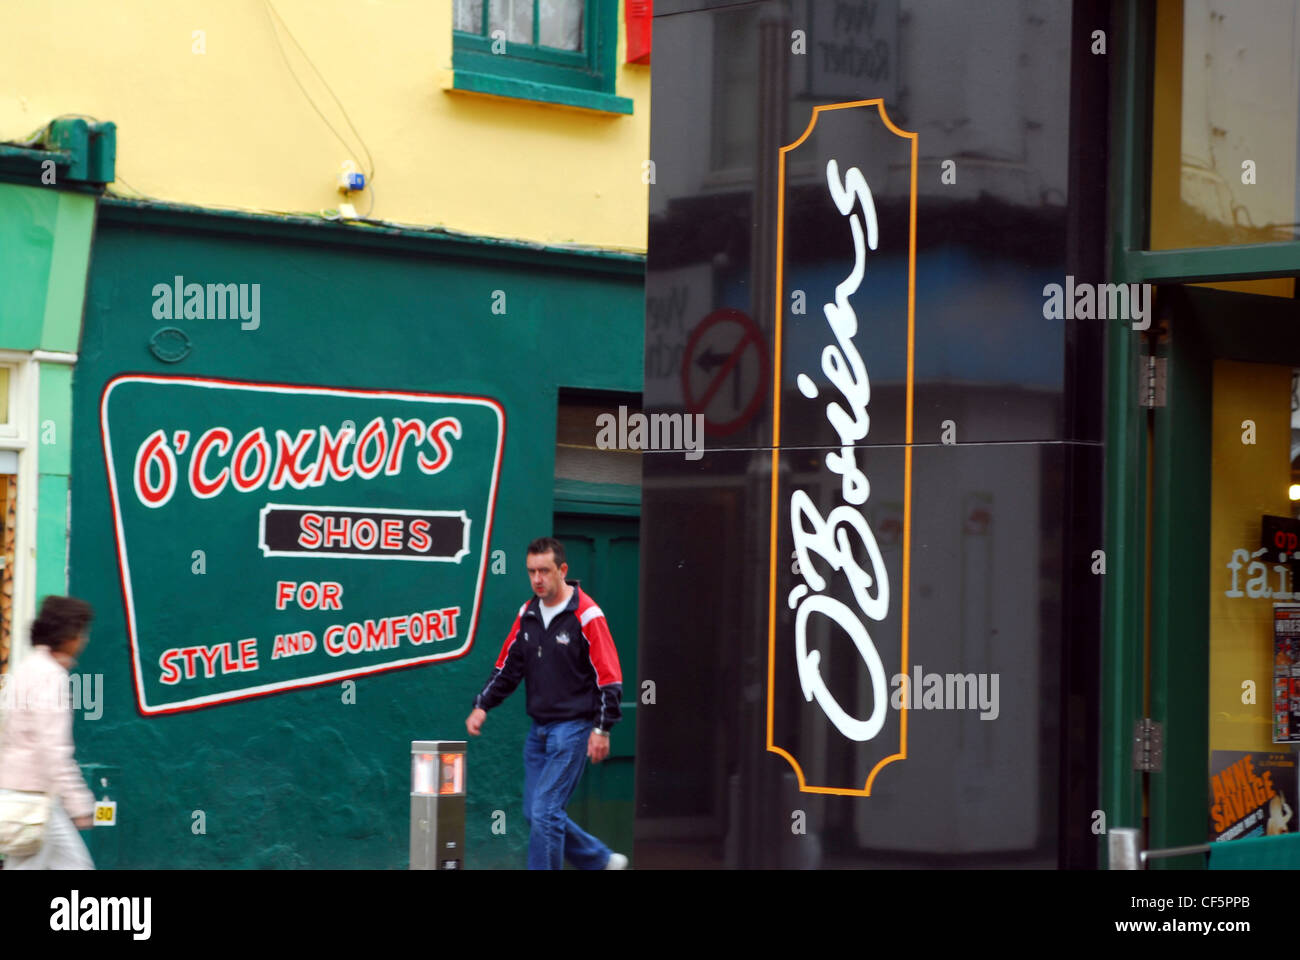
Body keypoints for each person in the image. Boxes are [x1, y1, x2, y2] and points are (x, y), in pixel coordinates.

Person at [466, 537, 628, 870]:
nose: (537, 579)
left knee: (545, 812)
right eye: (531, 572)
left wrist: (602, 728)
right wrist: (483, 705)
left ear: (562, 570)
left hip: (572, 730)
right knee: (536, 813)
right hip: (538, 733)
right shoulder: (527, 614)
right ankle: (599, 860)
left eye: (544, 570)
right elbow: (508, 668)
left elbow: (609, 677)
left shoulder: (587, 614)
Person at [0, 595, 97, 870]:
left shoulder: (28, 668)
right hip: (32, 800)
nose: (84, 640)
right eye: (81, 632)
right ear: (67, 635)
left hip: (30, 797)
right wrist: (78, 801)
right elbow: (54, 749)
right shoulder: (49, 677)